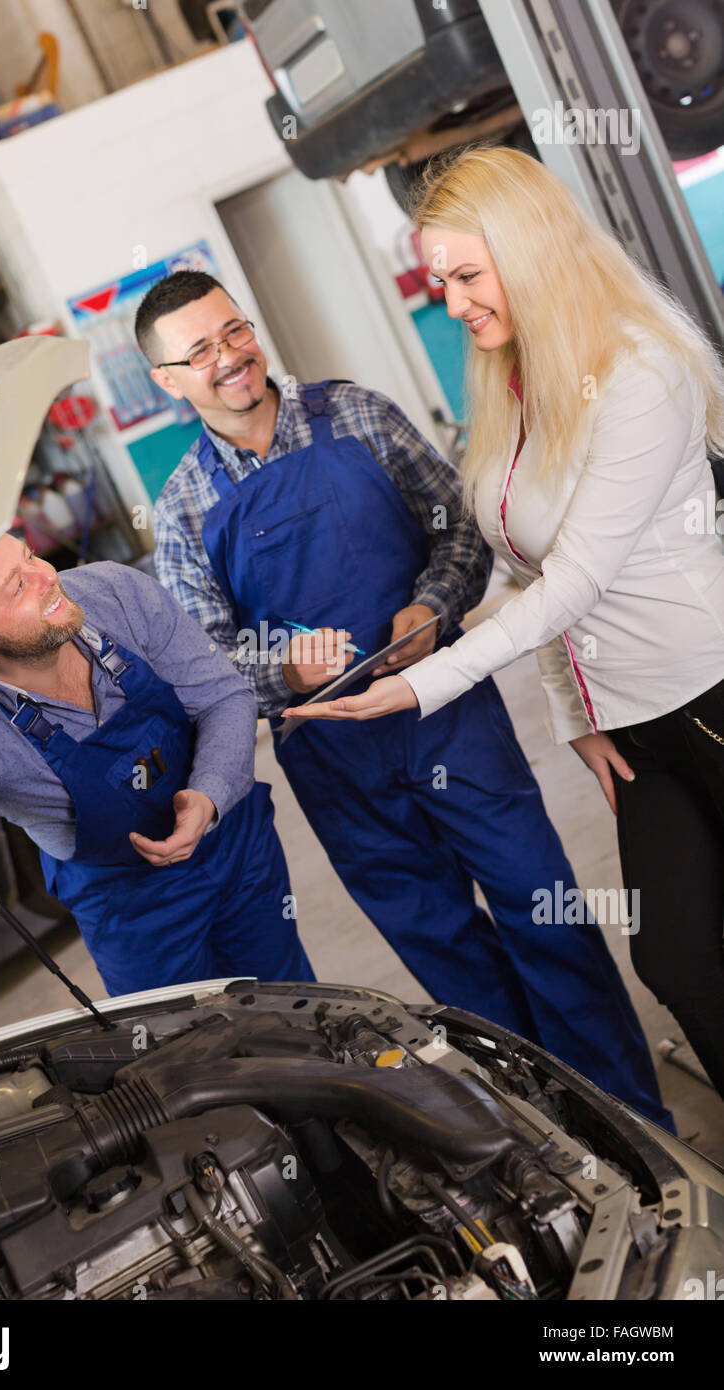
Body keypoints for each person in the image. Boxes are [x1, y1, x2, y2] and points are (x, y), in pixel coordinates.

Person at [133, 269, 672, 1128]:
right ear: (167, 382)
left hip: (446, 714)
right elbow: (206, 665)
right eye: (198, 351)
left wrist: (433, 606)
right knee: (446, 954)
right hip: (335, 761)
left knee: (545, 912)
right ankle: (542, 1137)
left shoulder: (358, 414)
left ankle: (633, 1122)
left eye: (234, 331)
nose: (228, 356)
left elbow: (460, 531)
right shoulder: (182, 509)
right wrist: (283, 671)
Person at [286, 143, 724, 1104]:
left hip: (708, 689)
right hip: (639, 728)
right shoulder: (520, 380)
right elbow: (529, 575)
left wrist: (417, 686)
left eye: (466, 277)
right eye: (439, 282)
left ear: (529, 250)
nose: (451, 303)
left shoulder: (638, 369)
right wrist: (578, 715)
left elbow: (574, 582)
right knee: (679, 958)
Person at [0, 533, 312, 1155]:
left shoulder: (116, 592)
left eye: (29, 556)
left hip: (234, 845)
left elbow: (223, 695)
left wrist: (209, 795)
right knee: (190, 1070)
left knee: (294, 1014)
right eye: (17, 585)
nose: (46, 576)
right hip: (131, 904)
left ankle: (330, 1151)